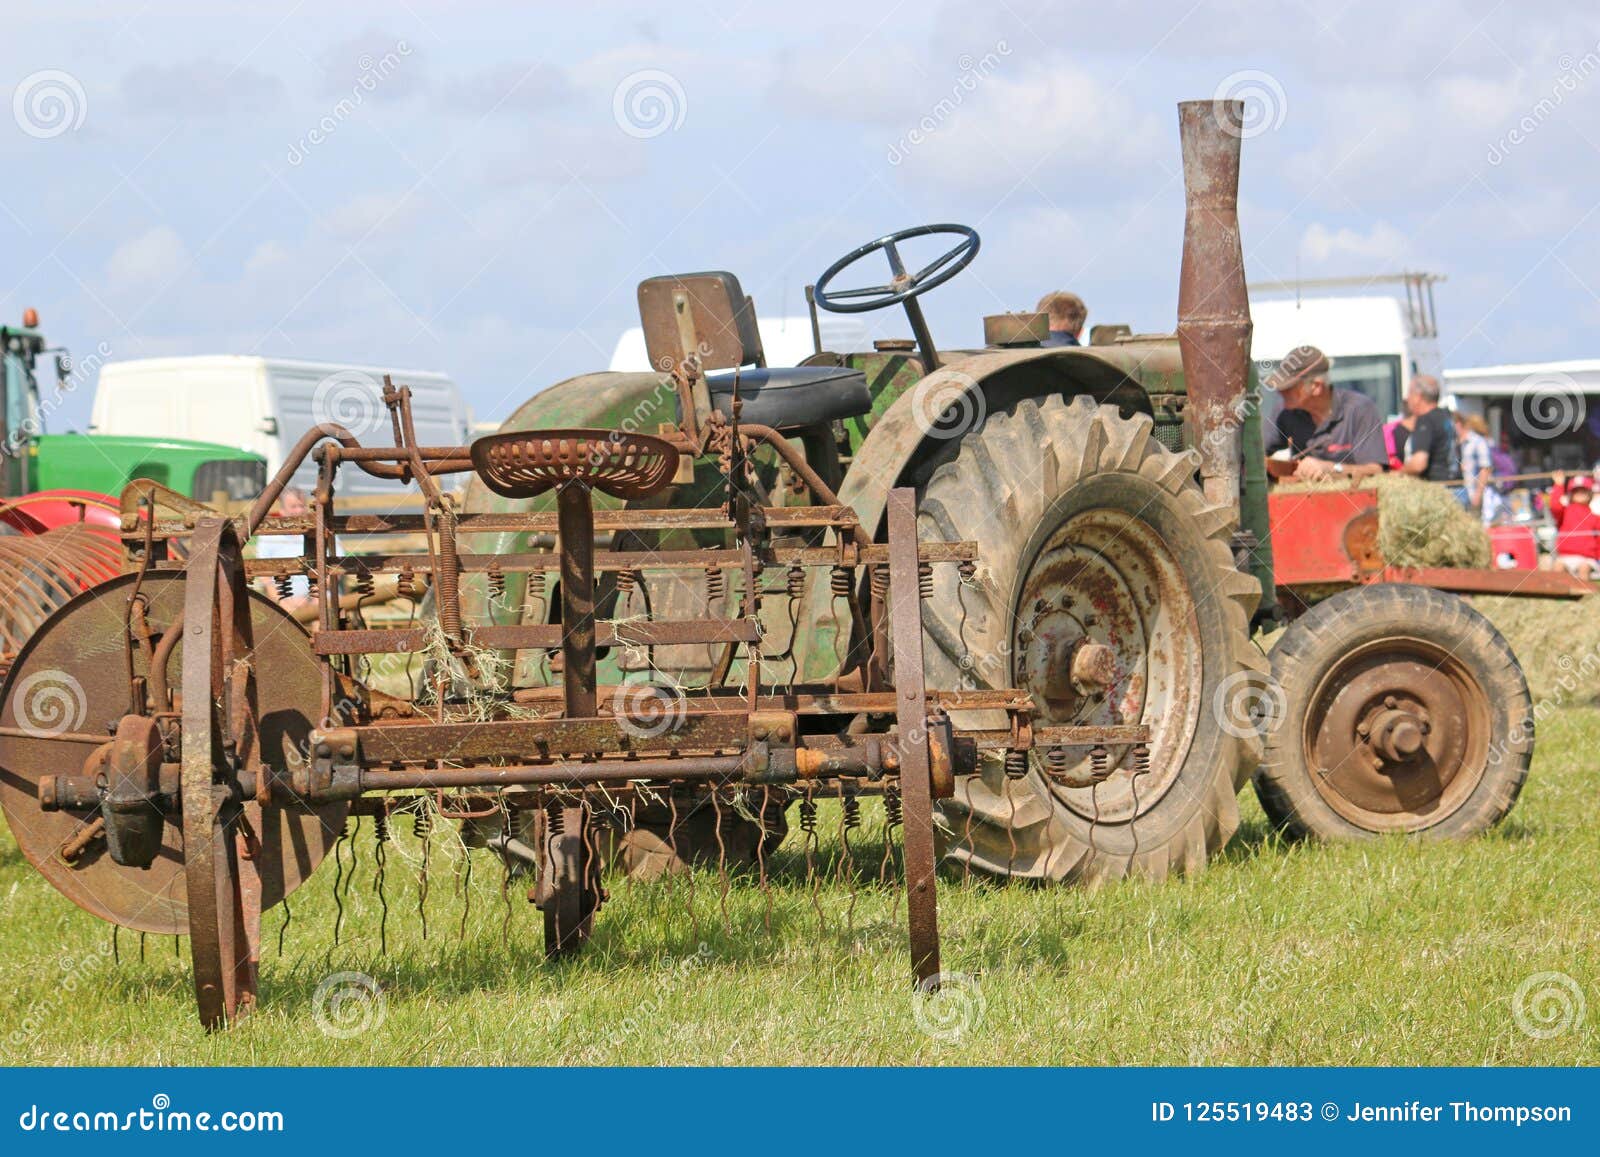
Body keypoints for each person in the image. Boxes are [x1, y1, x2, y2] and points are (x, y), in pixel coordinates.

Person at [1262, 344, 1387, 479]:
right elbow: (1254, 453)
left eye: (1289, 387)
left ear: (1316, 386)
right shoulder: (1284, 411)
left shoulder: (1360, 409)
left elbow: (1375, 471)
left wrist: (1331, 468)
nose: (1280, 391)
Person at [1398, 375, 1458, 482]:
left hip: (1437, 490)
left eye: (1410, 393)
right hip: (1456, 485)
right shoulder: (1446, 417)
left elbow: (1418, 464)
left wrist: (1397, 474)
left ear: (1418, 397)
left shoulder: (1425, 420)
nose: (1407, 398)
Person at [1547, 471, 1600, 579]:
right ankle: (1559, 594)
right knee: (1558, 567)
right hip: (1565, 556)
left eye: (1583, 491)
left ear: (1589, 494)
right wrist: (1559, 485)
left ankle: (1585, 594)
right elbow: (1555, 506)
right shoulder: (1564, 512)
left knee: (1584, 568)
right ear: (1571, 494)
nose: (1580, 494)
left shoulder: (1595, 517)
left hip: (1587, 558)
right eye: (1576, 491)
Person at [1455, 411, 1501, 523]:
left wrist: (1478, 495)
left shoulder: (1478, 441)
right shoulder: (1454, 443)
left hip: (1473, 495)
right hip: (1458, 494)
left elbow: (1485, 468)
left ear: (1459, 424)